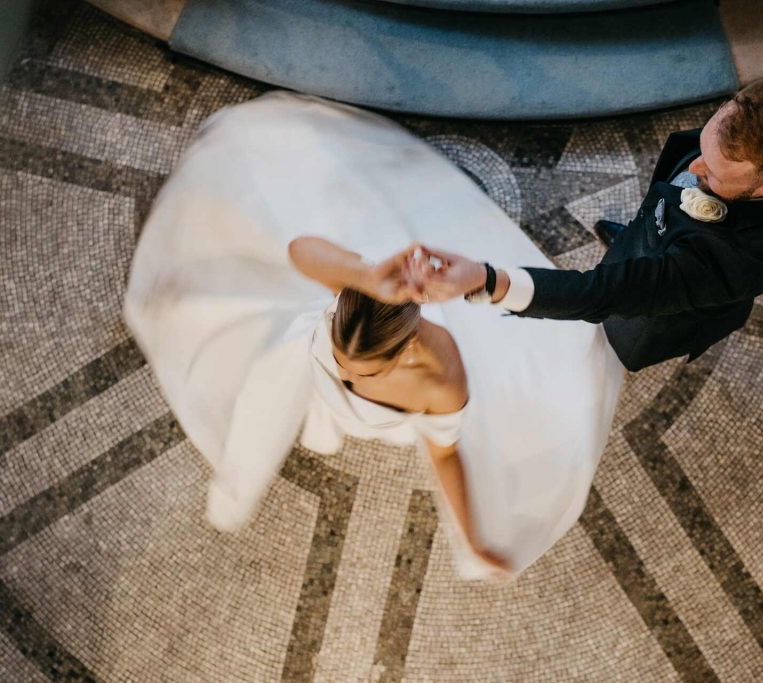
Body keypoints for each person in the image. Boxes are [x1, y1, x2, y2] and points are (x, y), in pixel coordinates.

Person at [123, 92, 624, 581]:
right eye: (342, 359)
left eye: (361, 370)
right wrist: (362, 276)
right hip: (360, 297)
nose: (344, 372)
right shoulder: (353, 301)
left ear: (408, 350)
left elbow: (445, 455)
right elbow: (298, 250)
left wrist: (472, 540)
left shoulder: (442, 378)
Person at [409, 77, 763, 371]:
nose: (694, 166)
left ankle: (634, 252)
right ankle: (629, 241)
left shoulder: (726, 263)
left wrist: (487, 280)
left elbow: (599, 292)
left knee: (625, 314)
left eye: (713, 176)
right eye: (705, 145)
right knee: (640, 235)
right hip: (660, 233)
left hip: (665, 305)